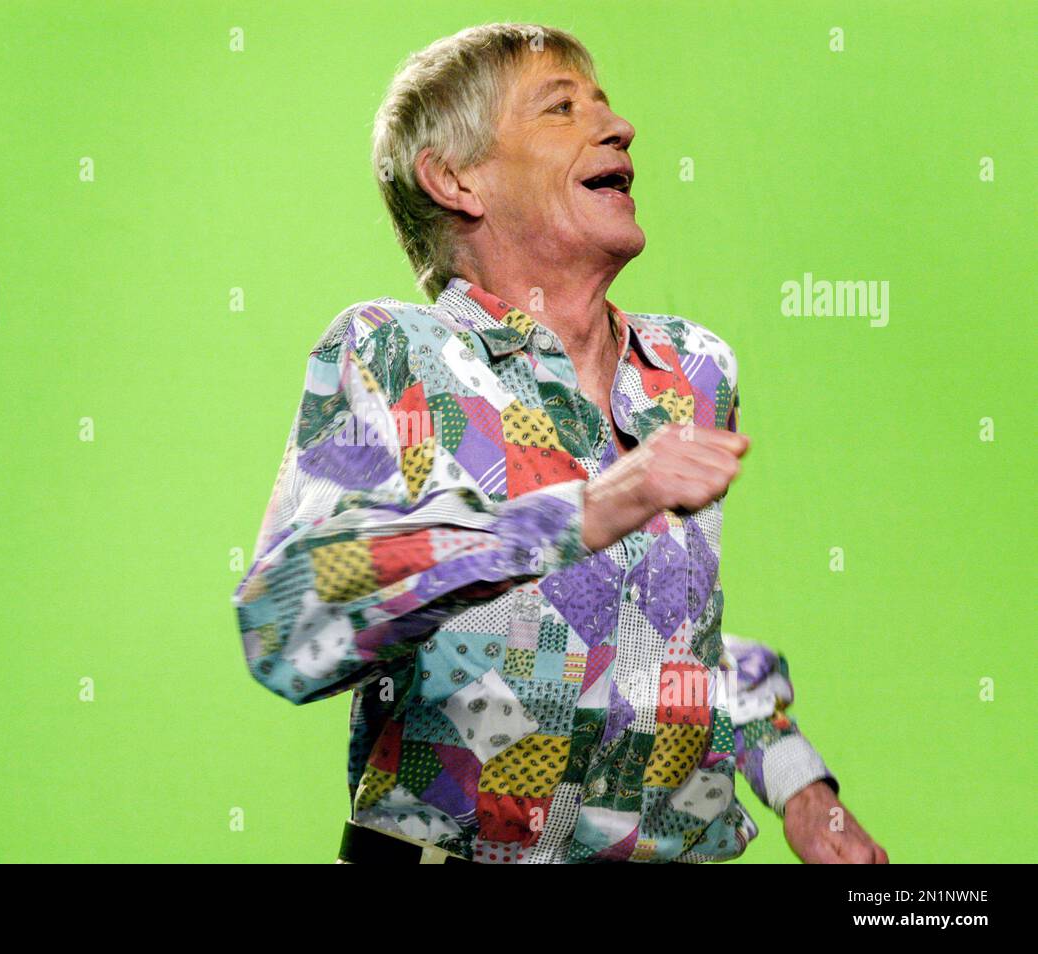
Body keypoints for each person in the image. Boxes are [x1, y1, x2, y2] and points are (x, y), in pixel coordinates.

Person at [232, 23, 887, 864]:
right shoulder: (396, 353)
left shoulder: (689, 372)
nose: (618, 127)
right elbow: (286, 626)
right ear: (454, 178)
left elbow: (664, 645)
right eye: (562, 107)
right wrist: (582, 511)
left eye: (605, 104)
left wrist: (799, 783)